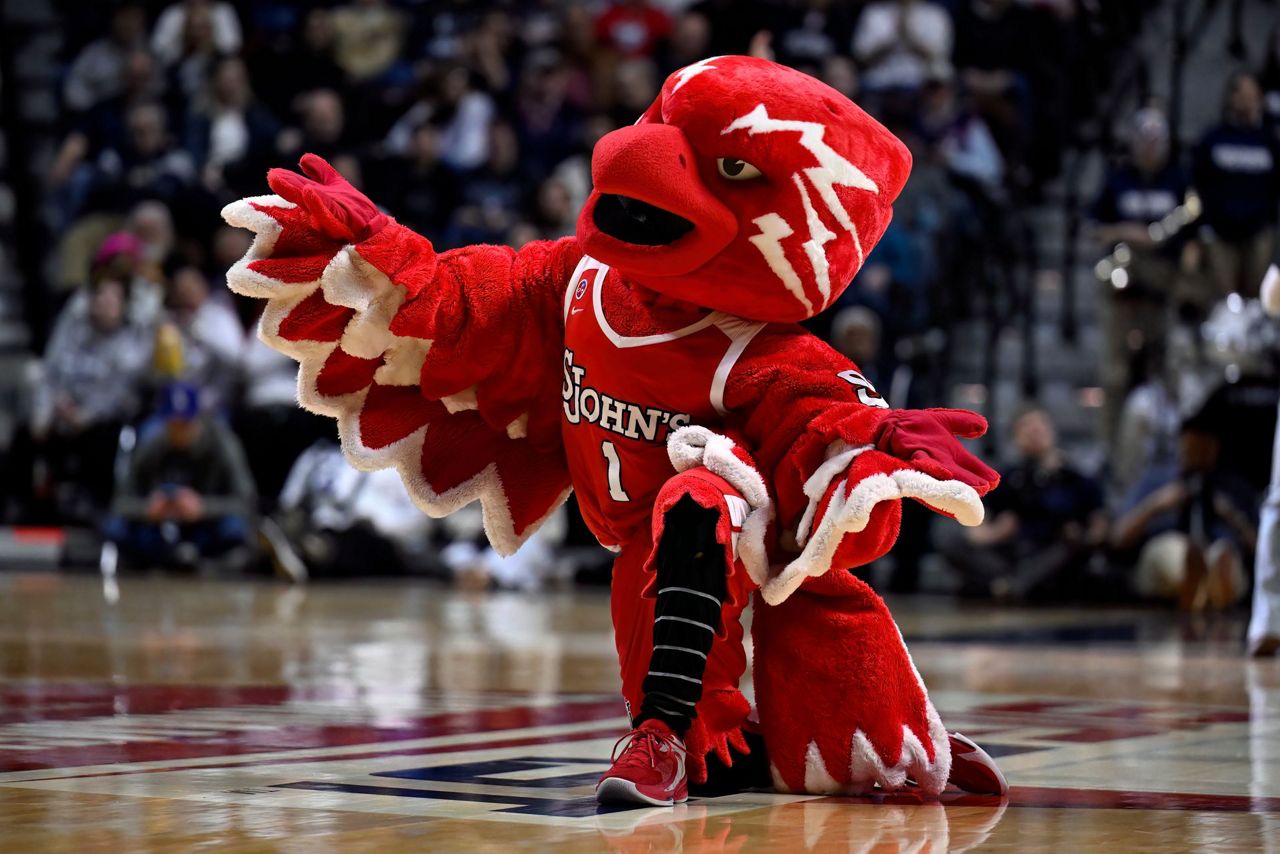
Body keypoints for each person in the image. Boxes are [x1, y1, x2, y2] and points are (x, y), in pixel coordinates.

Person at [939, 404, 1108, 600]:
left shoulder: (1077, 478)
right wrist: (995, 533)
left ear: (1052, 430)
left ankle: (1006, 587)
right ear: (1015, 439)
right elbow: (976, 529)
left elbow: (1100, 525)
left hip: (1055, 554)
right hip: (1014, 554)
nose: (1034, 431)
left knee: (1069, 550)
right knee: (953, 542)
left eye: (1040, 425)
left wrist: (1083, 535)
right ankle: (1012, 585)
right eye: (1026, 427)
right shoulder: (1007, 478)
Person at [1112, 414, 1256, 611]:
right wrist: (1155, 506)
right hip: (1162, 552)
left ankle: (1215, 583)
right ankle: (1194, 577)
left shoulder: (1233, 486)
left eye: (1206, 446)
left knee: (1224, 552)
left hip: (1217, 547)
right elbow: (1118, 537)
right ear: (1181, 442)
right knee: (1175, 548)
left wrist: (1232, 517)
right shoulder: (1156, 478)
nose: (1199, 452)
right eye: (1193, 444)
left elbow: (1259, 546)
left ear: (1215, 447)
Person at [106, 383, 256, 569]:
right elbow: (120, 502)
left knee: (235, 528)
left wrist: (203, 507)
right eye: (172, 424)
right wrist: (148, 508)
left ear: (197, 418)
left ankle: (214, 566)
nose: (178, 431)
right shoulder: (152, 443)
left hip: (206, 525)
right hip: (161, 525)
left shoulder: (223, 442)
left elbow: (246, 501)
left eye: (185, 424)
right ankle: (148, 563)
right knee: (116, 527)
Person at [1193, 73, 1280, 300]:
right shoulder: (1213, 139)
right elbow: (1198, 183)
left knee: (1257, 299)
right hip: (1221, 233)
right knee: (1225, 300)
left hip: (1258, 232)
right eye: (1243, 94)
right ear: (1231, 98)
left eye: (1253, 95)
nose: (1248, 101)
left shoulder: (1268, 141)